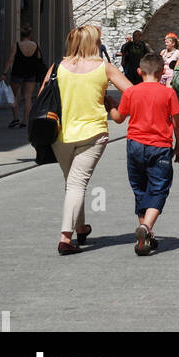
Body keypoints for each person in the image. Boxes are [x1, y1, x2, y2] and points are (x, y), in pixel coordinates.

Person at [46, 24, 130, 255]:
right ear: (94, 43)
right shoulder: (104, 67)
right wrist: (113, 106)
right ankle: (65, 238)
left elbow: (44, 93)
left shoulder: (58, 67)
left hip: (60, 134)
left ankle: (81, 227)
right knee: (76, 183)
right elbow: (132, 92)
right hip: (93, 134)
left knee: (73, 182)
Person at [109, 50, 179, 254]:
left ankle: (146, 238)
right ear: (162, 72)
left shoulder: (132, 92)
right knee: (158, 188)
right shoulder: (168, 93)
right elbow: (177, 122)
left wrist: (109, 104)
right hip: (159, 146)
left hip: (134, 145)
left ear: (139, 71)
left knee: (140, 189)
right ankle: (146, 228)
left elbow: (118, 118)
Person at [2, 25, 45, 129]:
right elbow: (39, 59)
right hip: (31, 74)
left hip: (17, 73)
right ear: (30, 35)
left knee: (15, 96)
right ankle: (25, 121)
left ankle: (16, 118)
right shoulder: (36, 45)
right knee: (28, 97)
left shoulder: (16, 45)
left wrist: (4, 73)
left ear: (21, 35)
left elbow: (10, 60)